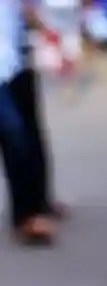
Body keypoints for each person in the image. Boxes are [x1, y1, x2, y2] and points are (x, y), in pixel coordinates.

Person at [1, 1, 63, 244]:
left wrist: (45, 31)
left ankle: (39, 201)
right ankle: (26, 215)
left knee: (30, 128)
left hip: (14, 56)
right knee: (12, 131)